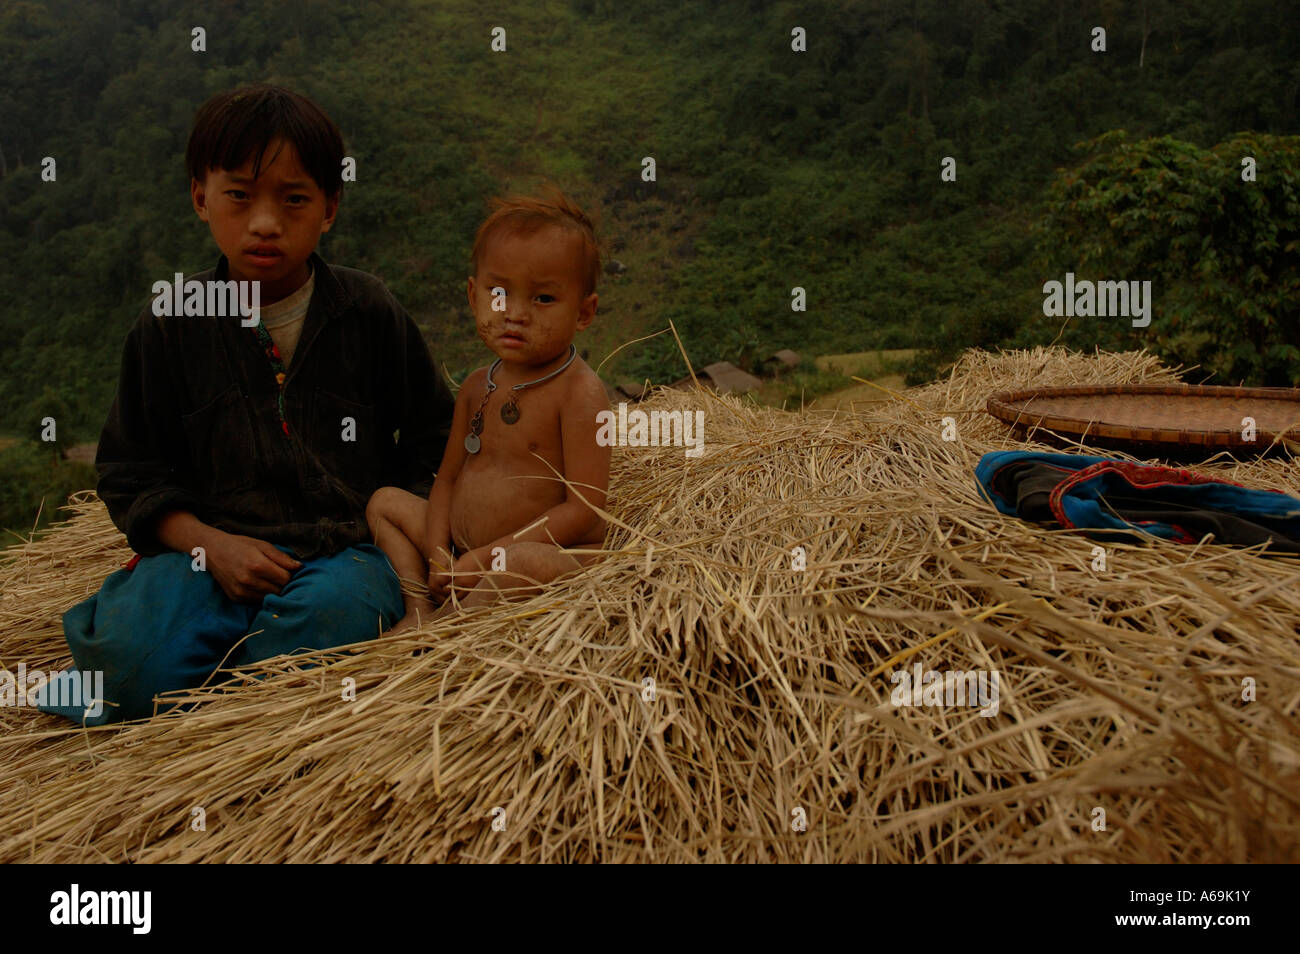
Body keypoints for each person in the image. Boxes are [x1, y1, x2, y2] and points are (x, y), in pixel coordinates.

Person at [38, 84, 453, 725]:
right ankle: (190, 657)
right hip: (202, 556)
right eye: (239, 196)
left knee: (332, 625)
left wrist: (390, 531)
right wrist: (210, 546)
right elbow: (129, 476)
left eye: (293, 199)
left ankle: (231, 685)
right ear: (201, 197)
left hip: (343, 551)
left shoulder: (368, 313)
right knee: (127, 666)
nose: (265, 222)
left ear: (330, 207)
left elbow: (433, 440)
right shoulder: (170, 324)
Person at [366, 191, 611, 631]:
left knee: (525, 564)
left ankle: (450, 631)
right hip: (464, 554)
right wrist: (440, 553)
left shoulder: (579, 393)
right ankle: (419, 604)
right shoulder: (478, 386)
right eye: (499, 294)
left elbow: (584, 509)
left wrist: (490, 556)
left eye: (543, 299)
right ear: (473, 294)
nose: (515, 314)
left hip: (536, 555)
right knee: (384, 503)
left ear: (584, 311)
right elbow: (447, 479)